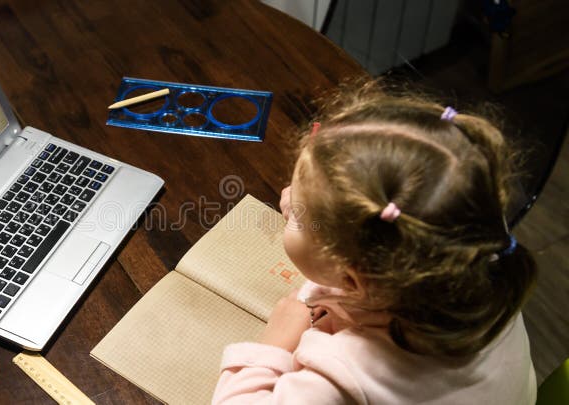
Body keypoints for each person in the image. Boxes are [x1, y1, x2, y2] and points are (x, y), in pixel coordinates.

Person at [212, 80, 538, 404]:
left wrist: (274, 343)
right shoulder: (476, 257)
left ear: (353, 280)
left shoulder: (341, 375)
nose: (288, 199)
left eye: (298, 212)